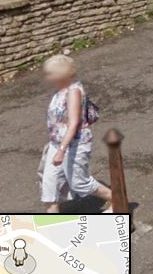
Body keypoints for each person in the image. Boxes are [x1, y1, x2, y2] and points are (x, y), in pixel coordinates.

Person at [39, 54, 113, 214]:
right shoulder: (59, 90)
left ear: (61, 74)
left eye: (50, 73)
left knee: (79, 183)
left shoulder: (73, 92)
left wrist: (61, 150)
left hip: (74, 145)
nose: (47, 77)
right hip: (56, 143)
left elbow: (73, 123)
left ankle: (117, 200)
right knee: (49, 186)